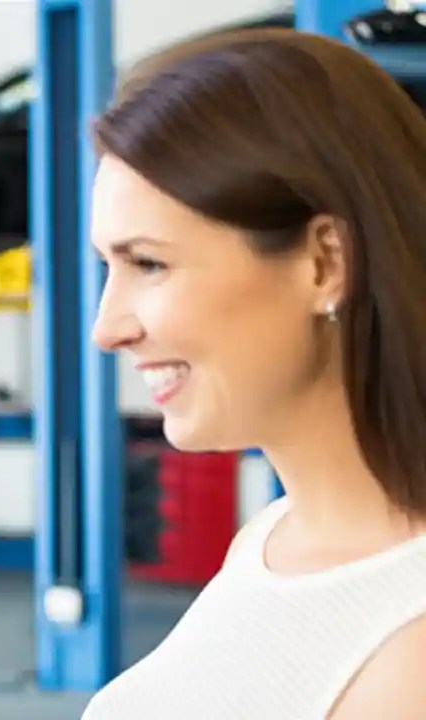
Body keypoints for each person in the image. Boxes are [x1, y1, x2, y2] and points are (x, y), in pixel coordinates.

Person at [81, 28, 426, 719]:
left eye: (149, 263)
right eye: (108, 268)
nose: (107, 327)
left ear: (325, 263)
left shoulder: (408, 658)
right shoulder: (271, 540)